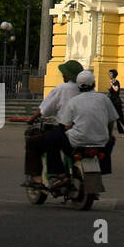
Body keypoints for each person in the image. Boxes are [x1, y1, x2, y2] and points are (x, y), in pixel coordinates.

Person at [22, 60, 85, 189]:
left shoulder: (62, 88)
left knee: (35, 142)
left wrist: (31, 118)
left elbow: (44, 109)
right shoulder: (86, 90)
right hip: (85, 131)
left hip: (66, 130)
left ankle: (42, 178)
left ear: (67, 76)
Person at [55, 70, 119, 165]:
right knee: (111, 139)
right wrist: (108, 134)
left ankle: (69, 160)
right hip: (101, 140)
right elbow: (111, 121)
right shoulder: (104, 98)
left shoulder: (73, 101)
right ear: (94, 83)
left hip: (77, 140)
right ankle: (103, 164)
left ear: (78, 85)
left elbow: (66, 126)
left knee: (56, 138)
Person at [107, 69, 124, 137]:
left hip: (116, 101)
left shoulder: (116, 82)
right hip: (111, 101)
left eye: (110, 73)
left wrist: (112, 84)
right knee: (109, 116)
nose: (109, 75)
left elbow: (116, 89)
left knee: (119, 117)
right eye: (109, 73)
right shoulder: (112, 81)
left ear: (113, 74)